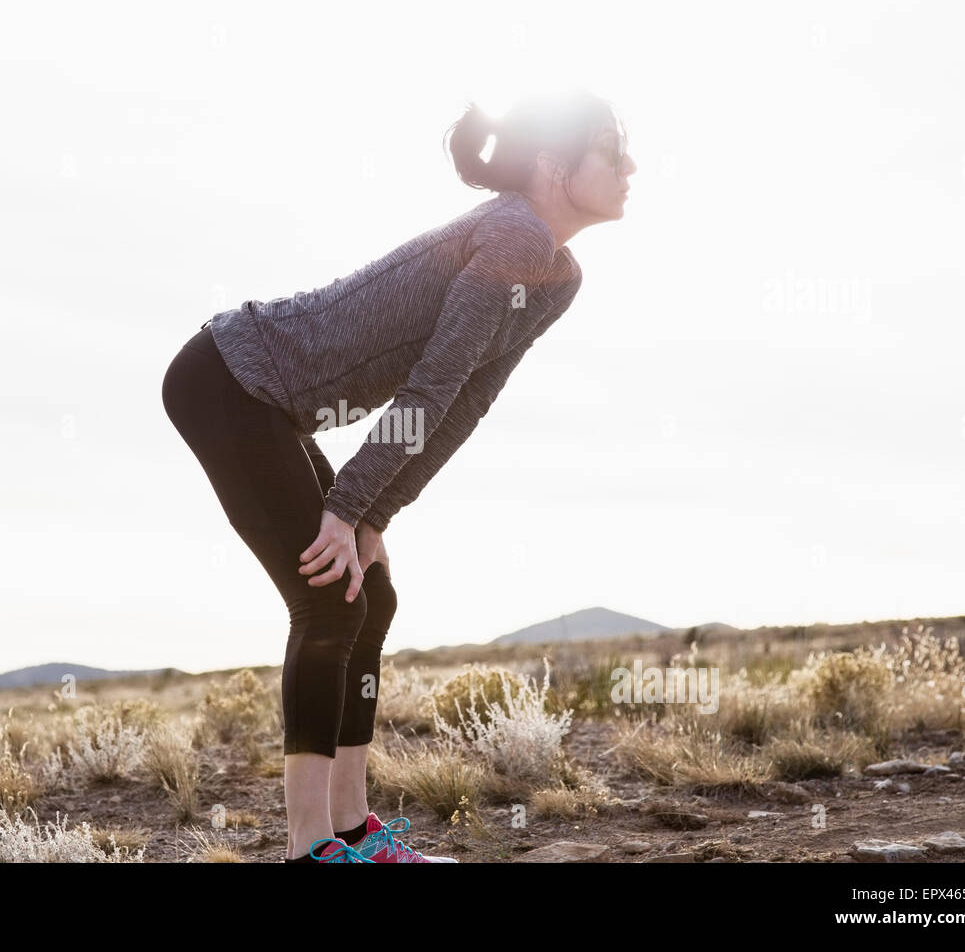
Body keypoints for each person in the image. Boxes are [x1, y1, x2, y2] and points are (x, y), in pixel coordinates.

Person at [162, 89, 636, 863]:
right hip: (228, 379)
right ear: (555, 166)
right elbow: (431, 386)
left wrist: (375, 513)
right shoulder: (514, 230)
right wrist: (345, 508)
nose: (630, 168)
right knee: (327, 598)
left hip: (270, 403)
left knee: (368, 594)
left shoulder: (560, 273)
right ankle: (310, 849)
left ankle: (353, 833)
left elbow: (467, 397)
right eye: (612, 151)